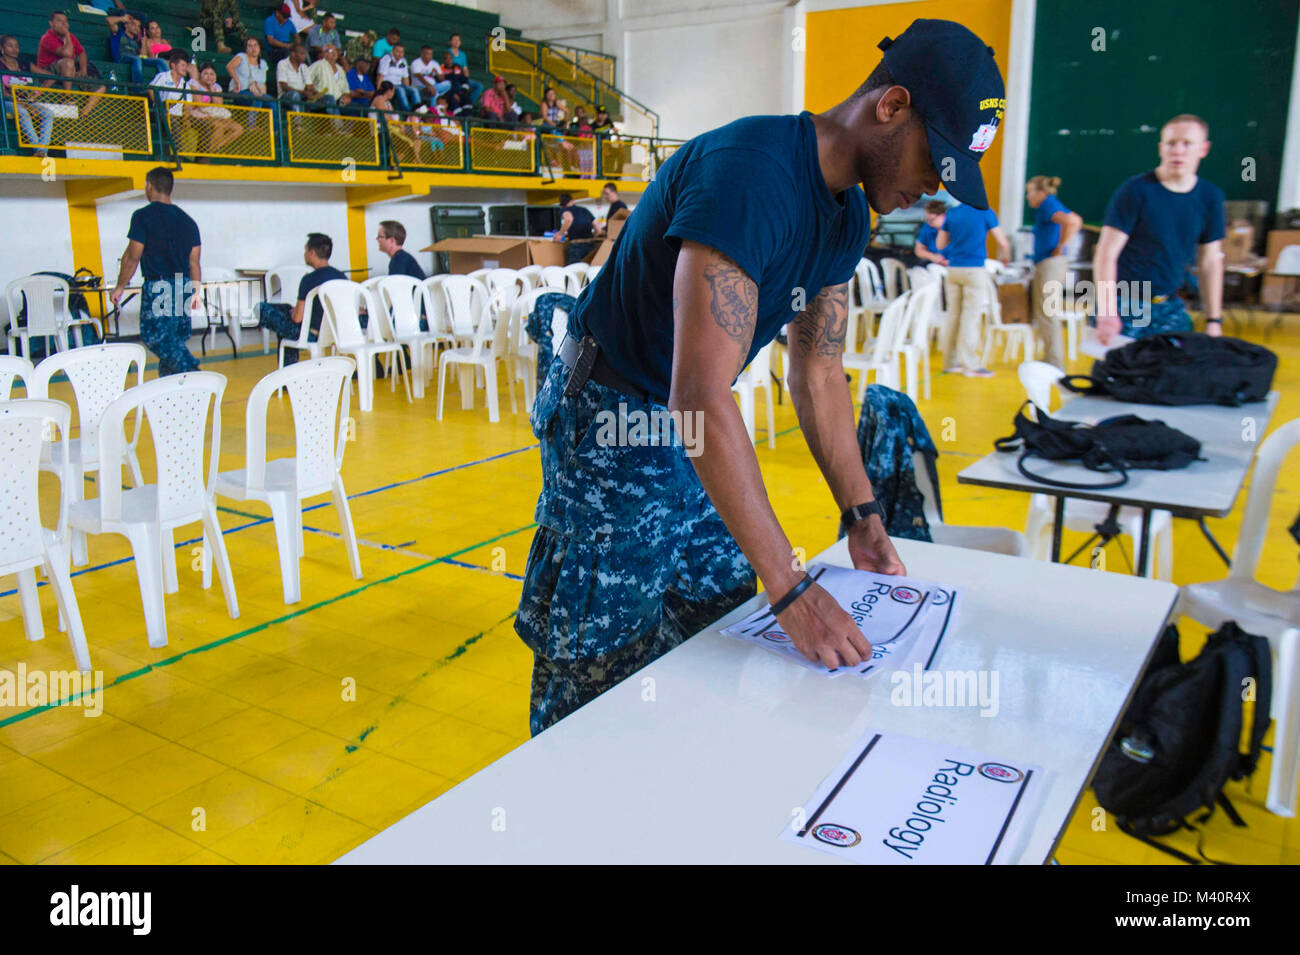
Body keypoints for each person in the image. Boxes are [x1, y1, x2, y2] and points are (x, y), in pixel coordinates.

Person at [515, 19, 1002, 735]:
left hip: (692, 422)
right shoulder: (751, 172)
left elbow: (821, 370)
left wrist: (862, 514)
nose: (936, 186)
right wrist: (794, 587)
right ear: (891, 106)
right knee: (600, 666)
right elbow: (700, 393)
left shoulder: (847, 216)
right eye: (938, 161)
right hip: (612, 418)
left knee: (719, 624)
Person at [1094, 114, 1225, 343]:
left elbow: (1210, 261)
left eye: (1187, 144)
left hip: (1169, 306)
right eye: (1171, 143)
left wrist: (1214, 320)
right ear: (1160, 148)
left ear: (1203, 149)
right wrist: (1107, 311)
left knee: (1175, 372)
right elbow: (1106, 253)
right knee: (1118, 375)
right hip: (1126, 303)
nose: (1178, 151)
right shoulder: (1136, 191)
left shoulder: (1210, 197)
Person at [110, 167, 203, 377]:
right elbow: (194, 262)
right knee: (174, 339)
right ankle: (174, 392)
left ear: (149, 186)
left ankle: (192, 370)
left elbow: (133, 256)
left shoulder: (143, 216)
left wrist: (120, 286)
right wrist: (196, 292)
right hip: (184, 285)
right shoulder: (188, 222)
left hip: (160, 287)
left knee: (155, 336)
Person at [936, 201, 1010, 378]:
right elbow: (1003, 242)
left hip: (953, 270)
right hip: (974, 270)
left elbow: (940, 244)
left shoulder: (952, 213)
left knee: (953, 315)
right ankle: (971, 364)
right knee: (971, 316)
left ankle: (949, 362)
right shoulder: (985, 211)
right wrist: (1005, 258)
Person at [254, 232, 346, 361]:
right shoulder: (341, 277)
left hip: (311, 334)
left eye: (305, 250)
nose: (304, 254)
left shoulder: (309, 279)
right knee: (286, 308)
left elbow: (297, 319)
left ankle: (289, 368)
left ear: (312, 252)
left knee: (261, 308)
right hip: (335, 332)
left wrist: (294, 313)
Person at [1025, 175, 1082, 368]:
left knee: (1048, 312)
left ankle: (1054, 361)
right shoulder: (1050, 205)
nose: (1028, 197)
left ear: (1041, 192)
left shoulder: (1048, 204)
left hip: (1051, 263)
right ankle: (1051, 357)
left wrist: (1061, 245)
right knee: (1046, 312)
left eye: (1030, 192)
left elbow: (1072, 222)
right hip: (1048, 263)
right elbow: (1077, 219)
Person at [1, 35, 54, 157]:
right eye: (10, 45)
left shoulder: (24, 64)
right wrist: (24, 104)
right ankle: (38, 149)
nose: (15, 49)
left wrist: (35, 95)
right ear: (1, 48)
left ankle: (43, 151)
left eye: (17, 46)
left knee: (48, 114)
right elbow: (3, 92)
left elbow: (50, 77)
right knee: (22, 112)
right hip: (7, 100)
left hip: (26, 101)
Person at [187, 61, 243, 153]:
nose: (209, 76)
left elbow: (218, 105)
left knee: (238, 129)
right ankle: (204, 154)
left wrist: (211, 89)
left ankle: (212, 149)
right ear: (200, 74)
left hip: (214, 114)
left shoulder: (216, 87)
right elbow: (200, 104)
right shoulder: (194, 84)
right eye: (206, 74)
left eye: (212, 74)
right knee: (219, 126)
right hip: (199, 113)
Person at [108, 13, 165, 86]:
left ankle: (168, 86)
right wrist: (122, 18)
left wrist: (143, 44)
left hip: (135, 59)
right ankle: (138, 87)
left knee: (160, 61)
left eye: (138, 26)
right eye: (134, 25)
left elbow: (143, 56)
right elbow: (109, 20)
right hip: (121, 58)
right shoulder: (119, 33)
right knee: (136, 59)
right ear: (126, 25)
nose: (137, 28)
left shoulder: (137, 41)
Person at [552, 193, 598, 266]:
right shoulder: (584, 210)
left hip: (576, 245)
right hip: (590, 244)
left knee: (574, 270)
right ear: (572, 201)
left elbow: (569, 219)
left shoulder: (565, 209)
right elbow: (598, 229)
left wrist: (560, 234)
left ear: (561, 205)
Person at [226, 36, 272, 106]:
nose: (253, 48)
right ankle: (252, 117)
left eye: (255, 45)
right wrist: (237, 82)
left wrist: (263, 93)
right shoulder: (241, 56)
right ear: (246, 49)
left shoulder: (263, 63)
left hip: (256, 92)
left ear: (259, 47)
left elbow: (263, 82)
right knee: (257, 99)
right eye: (250, 46)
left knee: (272, 102)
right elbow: (229, 67)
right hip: (240, 91)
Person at [306, 43, 350, 113]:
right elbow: (306, 79)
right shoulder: (319, 65)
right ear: (324, 53)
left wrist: (343, 100)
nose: (334, 53)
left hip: (337, 102)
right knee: (330, 99)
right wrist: (313, 92)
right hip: (319, 100)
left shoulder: (340, 69)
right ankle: (335, 123)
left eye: (335, 50)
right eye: (330, 51)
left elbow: (346, 91)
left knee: (352, 104)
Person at [378, 43, 417, 112]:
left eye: (402, 52)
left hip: (399, 84)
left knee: (414, 89)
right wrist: (378, 90)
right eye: (398, 51)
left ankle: (418, 109)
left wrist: (407, 89)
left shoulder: (403, 61)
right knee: (400, 90)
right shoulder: (386, 59)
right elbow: (380, 76)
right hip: (388, 85)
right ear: (392, 51)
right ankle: (408, 112)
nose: (400, 54)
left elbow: (405, 78)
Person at [445, 32, 482, 103]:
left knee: (479, 86)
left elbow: (465, 69)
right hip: (453, 78)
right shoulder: (448, 52)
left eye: (458, 40)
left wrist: (466, 79)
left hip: (462, 78)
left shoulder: (462, 54)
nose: (457, 42)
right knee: (459, 87)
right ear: (450, 42)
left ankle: (469, 103)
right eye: (454, 40)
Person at [276, 42, 315, 108]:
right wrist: (304, 92)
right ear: (293, 54)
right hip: (286, 96)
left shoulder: (304, 67)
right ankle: (297, 118)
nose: (305, 56)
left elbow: (309, 86)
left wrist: (315, 92)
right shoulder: (282, 64)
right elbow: (285, 87)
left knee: (328, 98)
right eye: (302, 54)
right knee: (295, 95)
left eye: (305, 54)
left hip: (302, 94)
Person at [913, 200, 948, 266]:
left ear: (943, 216)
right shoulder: (927, 228)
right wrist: (932, 257)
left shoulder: (956, 229)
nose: (929, 223)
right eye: (927, 220)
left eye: (931, 220)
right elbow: (918, 250)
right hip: (935, 265)